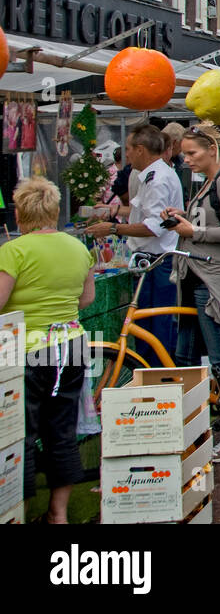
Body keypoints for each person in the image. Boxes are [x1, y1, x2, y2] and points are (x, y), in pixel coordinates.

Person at [0, 178, 96, 523]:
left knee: (20, 436)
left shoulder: (13, 251)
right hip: (72, 347)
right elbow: (86, 298)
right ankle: (58, 514)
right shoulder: (78, 248)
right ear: (55, 211)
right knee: (62, 433)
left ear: (20, 213)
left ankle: (20, 513)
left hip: (27, 351)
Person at [162, 126, 220, 462]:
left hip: (212, 280)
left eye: (193, 153)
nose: (187, 160)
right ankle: (192, 429)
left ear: (212, 149)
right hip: (194, 277)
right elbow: (207, 224)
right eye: (184, 154)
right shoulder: (206, 183)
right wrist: (181, 218)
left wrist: (193, 231)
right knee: (185, 358)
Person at [85, 124, 183, 366]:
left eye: (128, 149)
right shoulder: (151, 175)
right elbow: (144, 213)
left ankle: (159, 378)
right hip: (150, 260)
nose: (126, 154)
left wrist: (113, 228)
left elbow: (153, 226)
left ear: (140, 149)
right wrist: (113, 212)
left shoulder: (157, 178)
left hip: (158, 262)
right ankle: (150, 374)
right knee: (148, 328)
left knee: (156, 330)